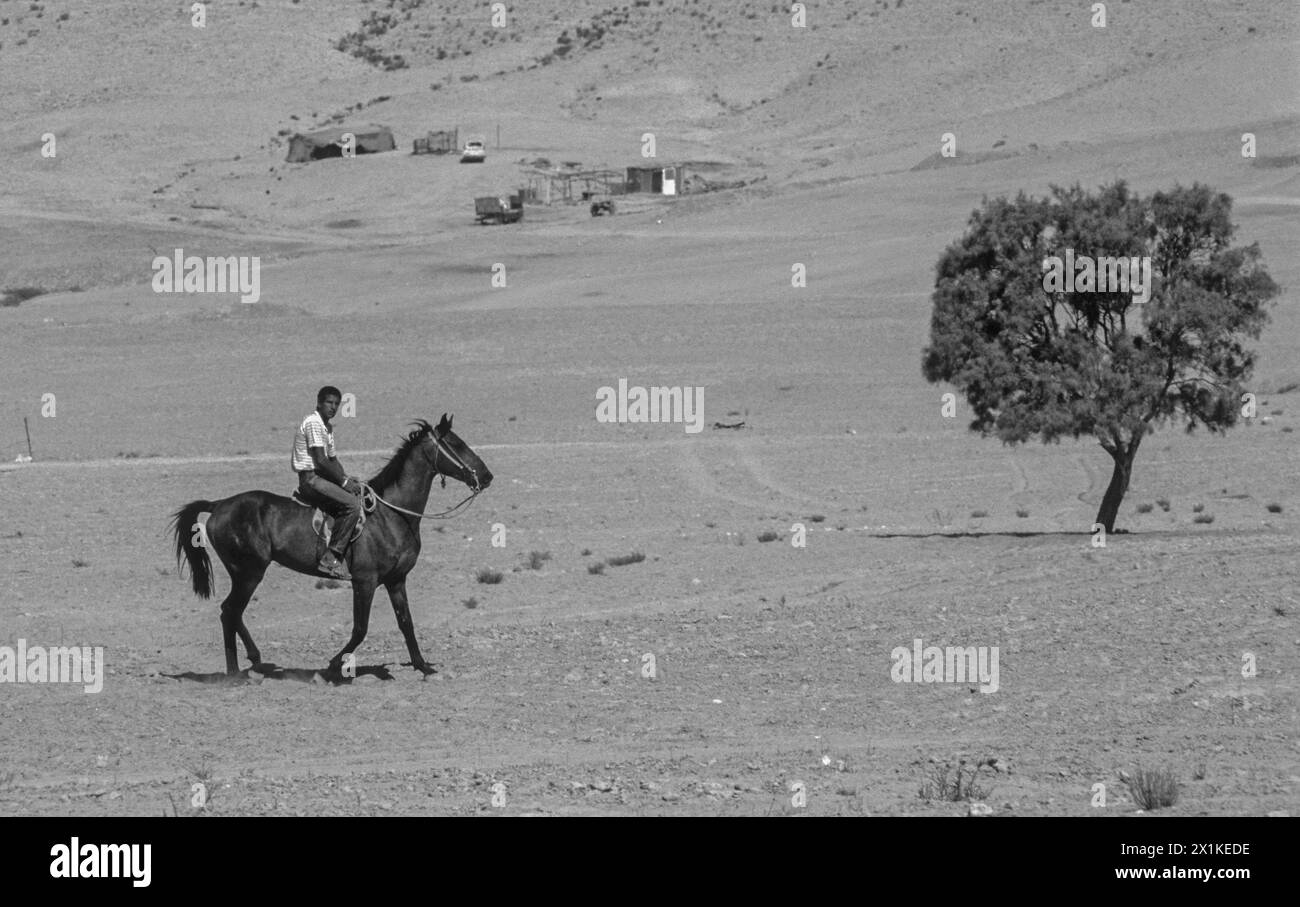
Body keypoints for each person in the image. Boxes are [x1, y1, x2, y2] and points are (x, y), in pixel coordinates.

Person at [292, 386, 363, 579]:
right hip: (311, 480)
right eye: (329, 403)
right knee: (352, 505)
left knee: (357, 494)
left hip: (320, 478)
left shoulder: (327, 427)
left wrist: (348, 478)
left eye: (336, 404)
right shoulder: (314, 423)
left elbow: (332, 461)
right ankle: (330, 558)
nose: (333, 407)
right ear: (319, 403)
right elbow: (321, 461)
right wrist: (344, 482)